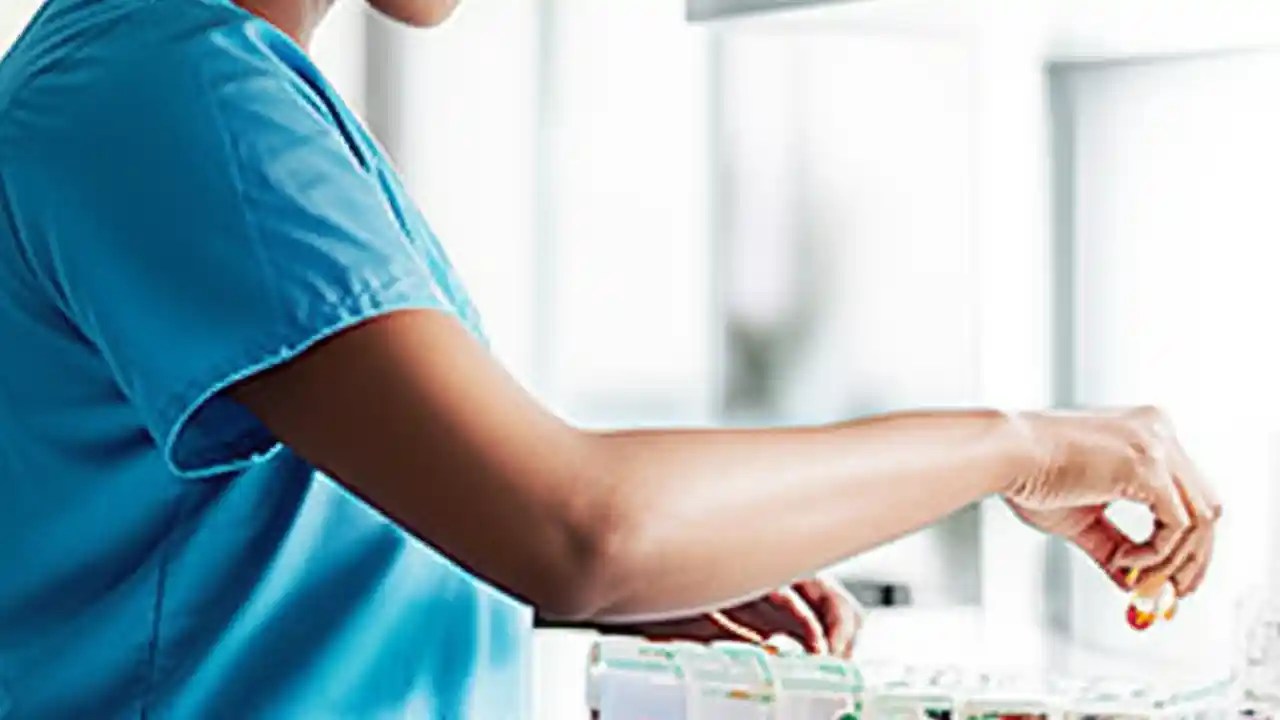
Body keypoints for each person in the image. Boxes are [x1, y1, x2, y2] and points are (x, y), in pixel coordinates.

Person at [0, 0, 1221, 716]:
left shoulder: (172, 73)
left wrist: (650, 578)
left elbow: (266, 534)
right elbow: (581, 528)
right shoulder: (172, 89)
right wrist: (1020, 448)